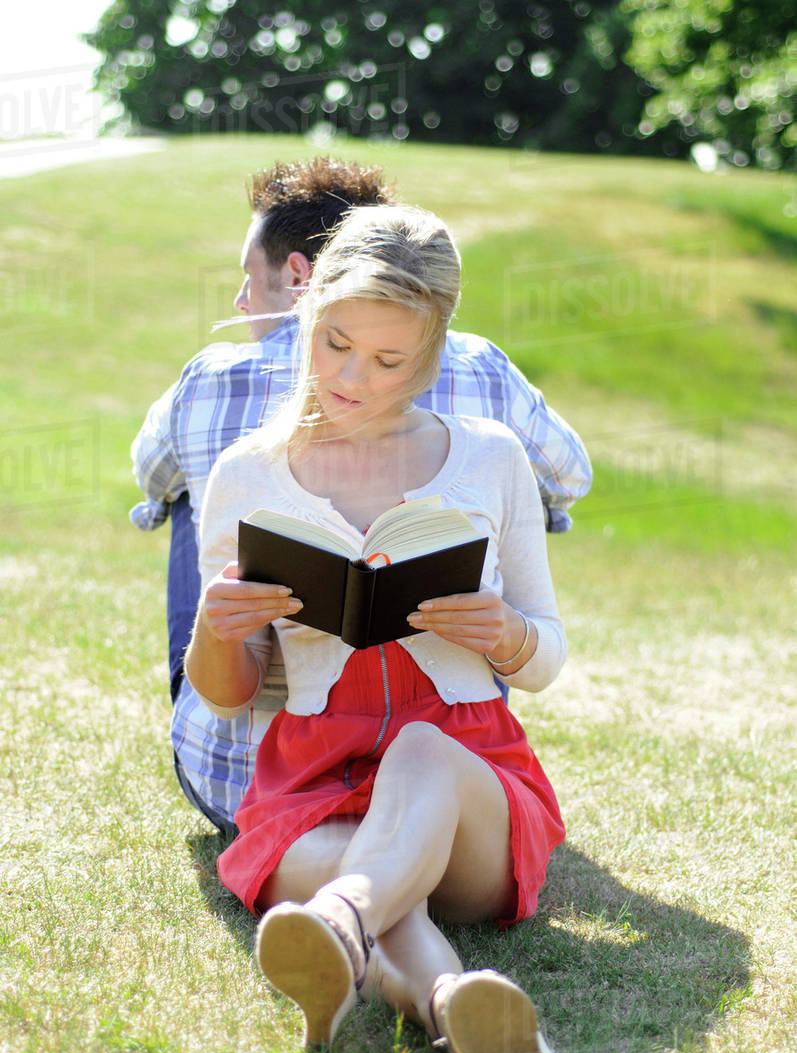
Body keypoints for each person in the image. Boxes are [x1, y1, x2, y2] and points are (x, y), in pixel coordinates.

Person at [183, 203, 579, 1053]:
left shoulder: (488, 456)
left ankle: (340, 923)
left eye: (388, 359)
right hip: (311, 787)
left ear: (433, 351)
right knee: (371, 876)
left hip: (466, 774)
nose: (351, 377)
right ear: (308, 309)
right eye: (334, 343)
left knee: (421, 749)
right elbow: (227, 692)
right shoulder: (247, 472)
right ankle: (445, 1001)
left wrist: (508, 636)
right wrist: (219, 628)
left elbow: (547, 656)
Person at [131, 157, 592, 835]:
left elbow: (151, 476)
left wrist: (502, 618)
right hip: (298, 758)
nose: (238, 304)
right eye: (336, 343)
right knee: (222, 516)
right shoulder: (484, 367)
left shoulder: (207, 379)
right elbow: (568, 478)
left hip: (291, 765)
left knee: (177, 497)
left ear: (295, 278)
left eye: (247, 281)